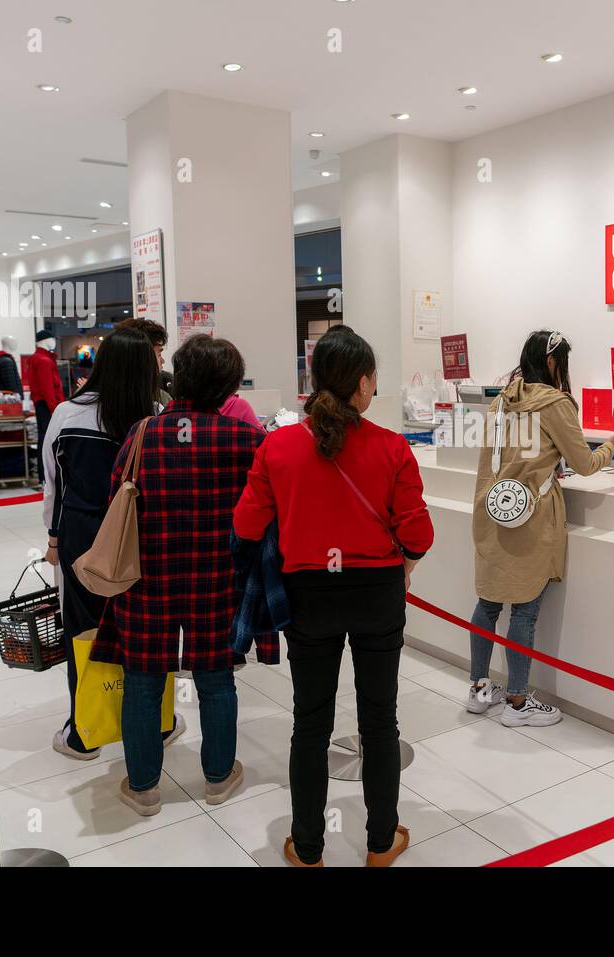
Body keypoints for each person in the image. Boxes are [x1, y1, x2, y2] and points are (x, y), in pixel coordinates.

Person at [234, 325, 434, 867]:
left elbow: (246, 526)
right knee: (380, 720)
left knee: (310, 720)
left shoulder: (277, 445)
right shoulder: (392, 448)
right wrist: (404, 567)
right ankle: (379, 842)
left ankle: (308, 846)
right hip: (377, 593)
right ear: (364, 384)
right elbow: (418, 533)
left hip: (308, 595)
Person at [95, 335, 266, 817]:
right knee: (216, 680)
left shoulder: (142, 433)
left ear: (179, 377)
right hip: (218, 579)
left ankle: (145, 786)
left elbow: (116, 499)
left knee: (144, 681)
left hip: (147, 577)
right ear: (230, 386)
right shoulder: (249, 441)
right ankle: (217, 778)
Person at [468, 330, 614, 728]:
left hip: (493, 510)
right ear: (554, 363)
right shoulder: (556, 404)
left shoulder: (500, 402)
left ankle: (479, 689)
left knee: (488, 604)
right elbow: (587, 465)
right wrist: (611, 444)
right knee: (525, 610)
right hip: (532, 517)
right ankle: (518, 704)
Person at [42, 327, 172, 760]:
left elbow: (53, 487)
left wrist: (54, 540)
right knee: (147, 631)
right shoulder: (156, 417)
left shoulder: (67, 414)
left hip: (84, 538)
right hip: (145, 536)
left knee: (84, 631)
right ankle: (159, 721)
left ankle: (85, 730)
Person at [28, 329, 65, 483]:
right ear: (45, 341)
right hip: (48, 405)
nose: (54, 342)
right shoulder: (44, 361)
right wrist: (56, 410)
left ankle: (45, 476)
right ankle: (46, 476)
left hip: (43, 404)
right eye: (52, 339)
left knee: (45, 439)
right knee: (48, 440)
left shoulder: (38, 359)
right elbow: (48, 389)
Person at [113, 317, 172, 404]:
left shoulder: (162, 397)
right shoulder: (161, 400)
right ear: (141, 357)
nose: (163, 361)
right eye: (159, 355)